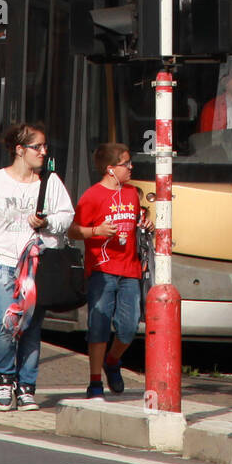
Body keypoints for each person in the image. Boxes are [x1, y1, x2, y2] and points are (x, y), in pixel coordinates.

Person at [0, 123, 73, 411]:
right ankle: (4, 379)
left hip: (37, 264)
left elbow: (67, 216)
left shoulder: (50, 181)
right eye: (38, 147)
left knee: (32, 325)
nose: (44, 152)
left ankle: (26, 387)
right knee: (6, 321)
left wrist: (47, 222)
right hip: (3, 262)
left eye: (45, 146)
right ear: (20, 150)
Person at [69, 142, 152, 399]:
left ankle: (113, 360)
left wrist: (145, 221)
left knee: (128, 327)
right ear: (110, 169)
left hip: (130, 269)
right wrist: (96, 231)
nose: (130, 167)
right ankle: (95, 381)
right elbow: (73, 230)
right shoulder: (92, 196)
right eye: (125, 163)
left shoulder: (131, 194)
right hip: (102, 271)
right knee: (99, 325)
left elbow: (136, 221)